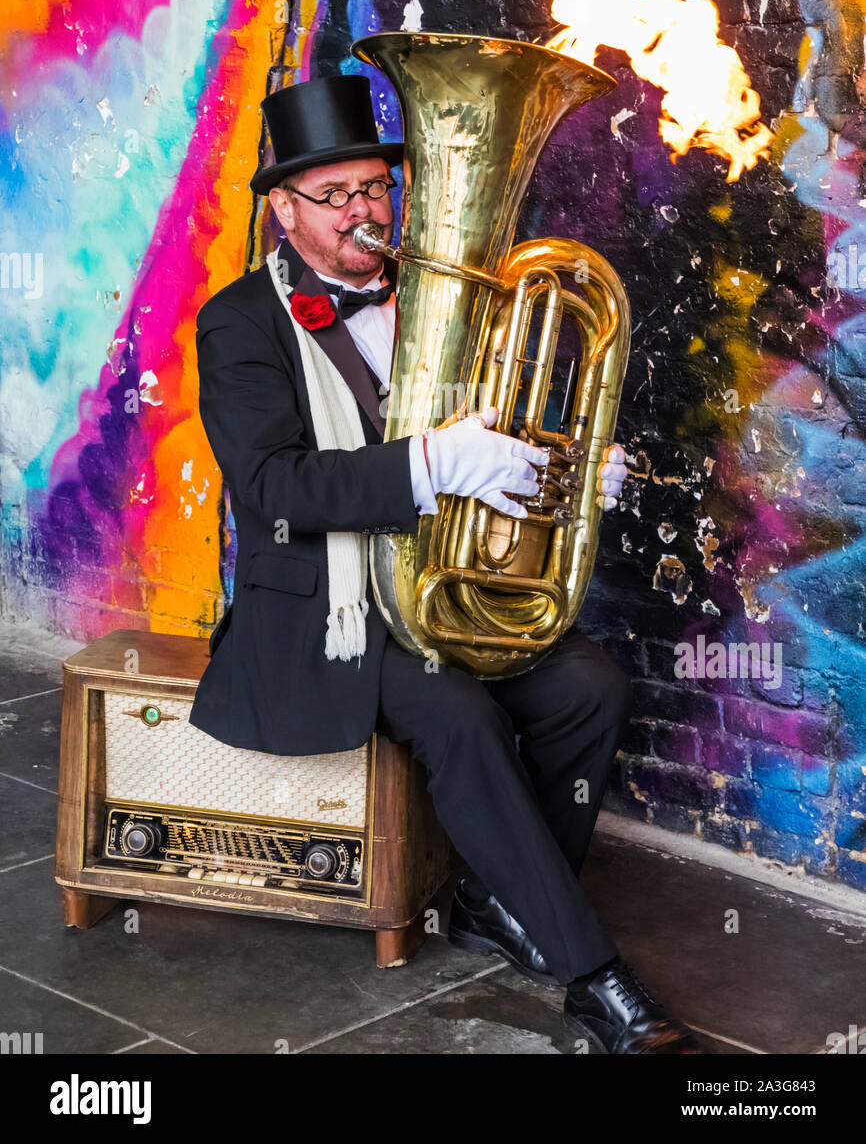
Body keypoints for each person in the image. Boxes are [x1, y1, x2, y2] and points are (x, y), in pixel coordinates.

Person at [189, 72, 705, 1055]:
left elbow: (493, 430)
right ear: (282, 210)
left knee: (590, 684)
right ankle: (595, 978)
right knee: (459, 715)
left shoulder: (439, 291)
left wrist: (560, 473)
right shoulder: (237, 322)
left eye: (373, 188)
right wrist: (431, 463)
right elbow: (274, 487)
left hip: (438, 583)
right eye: (333, 195)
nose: (361, 211)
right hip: (322, 614)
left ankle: (493, 901)